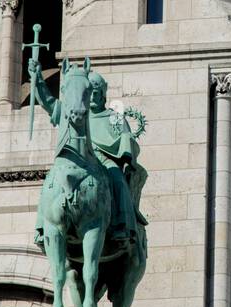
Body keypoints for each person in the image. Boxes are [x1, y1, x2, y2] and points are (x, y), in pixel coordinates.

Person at [30, 60, 147, 247]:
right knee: (50, 181)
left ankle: (122, 226)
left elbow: (125, 137)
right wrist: (38, 80)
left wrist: (125, 145)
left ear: (103, 94)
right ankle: (42, 228)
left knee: (118, 180)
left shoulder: (113, 116)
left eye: (97, 92)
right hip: (76, 157)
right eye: (90, 93)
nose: (93, 96)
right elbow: (48, 102)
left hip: (105, 159)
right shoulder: (73, 111)